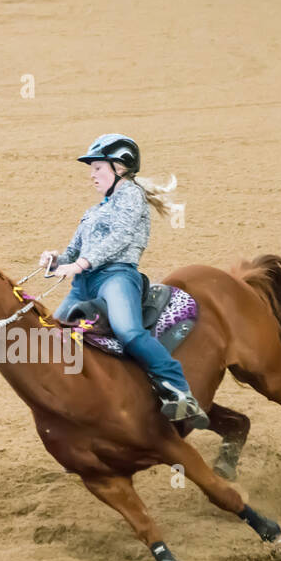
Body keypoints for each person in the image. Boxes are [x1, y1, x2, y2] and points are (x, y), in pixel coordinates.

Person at [41, 134, 210, 429]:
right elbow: (73, 251)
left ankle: (180, 392)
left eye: (97, 168)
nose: (92, 175)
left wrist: (80, 264)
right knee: (51, 336)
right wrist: (56, 260)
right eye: (91, 170)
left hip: (117, 276)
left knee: (128, 331)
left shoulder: (131, 195)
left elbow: (120, 238)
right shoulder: (93, 212)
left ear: (120, 167)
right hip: (83, 283)